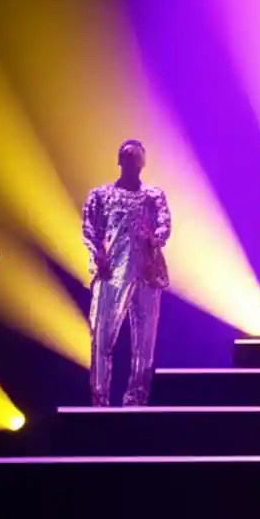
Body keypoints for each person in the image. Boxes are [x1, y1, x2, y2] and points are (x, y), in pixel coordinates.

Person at [82, 139, 171, 407]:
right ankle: (100, 398)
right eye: (127, 157)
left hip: (147, 272)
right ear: (119, 161)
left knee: (145, 341)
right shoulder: (101, 195)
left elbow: (165, 226)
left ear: (143, 163)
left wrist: (154, 238)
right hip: (112, 272)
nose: (132, 162)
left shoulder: (154, 196)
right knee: (102, 336)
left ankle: (137, 397)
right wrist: (98, 252)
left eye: (137, 157)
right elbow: (89, 228)